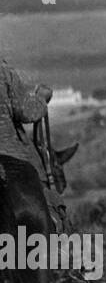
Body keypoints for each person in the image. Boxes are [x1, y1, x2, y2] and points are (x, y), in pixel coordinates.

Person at [0, 60, 59, 226]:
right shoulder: (4, 72)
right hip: (11, 154)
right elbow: (27, 112)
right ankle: (58, 225)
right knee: (48, 201)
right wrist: (41, 98)